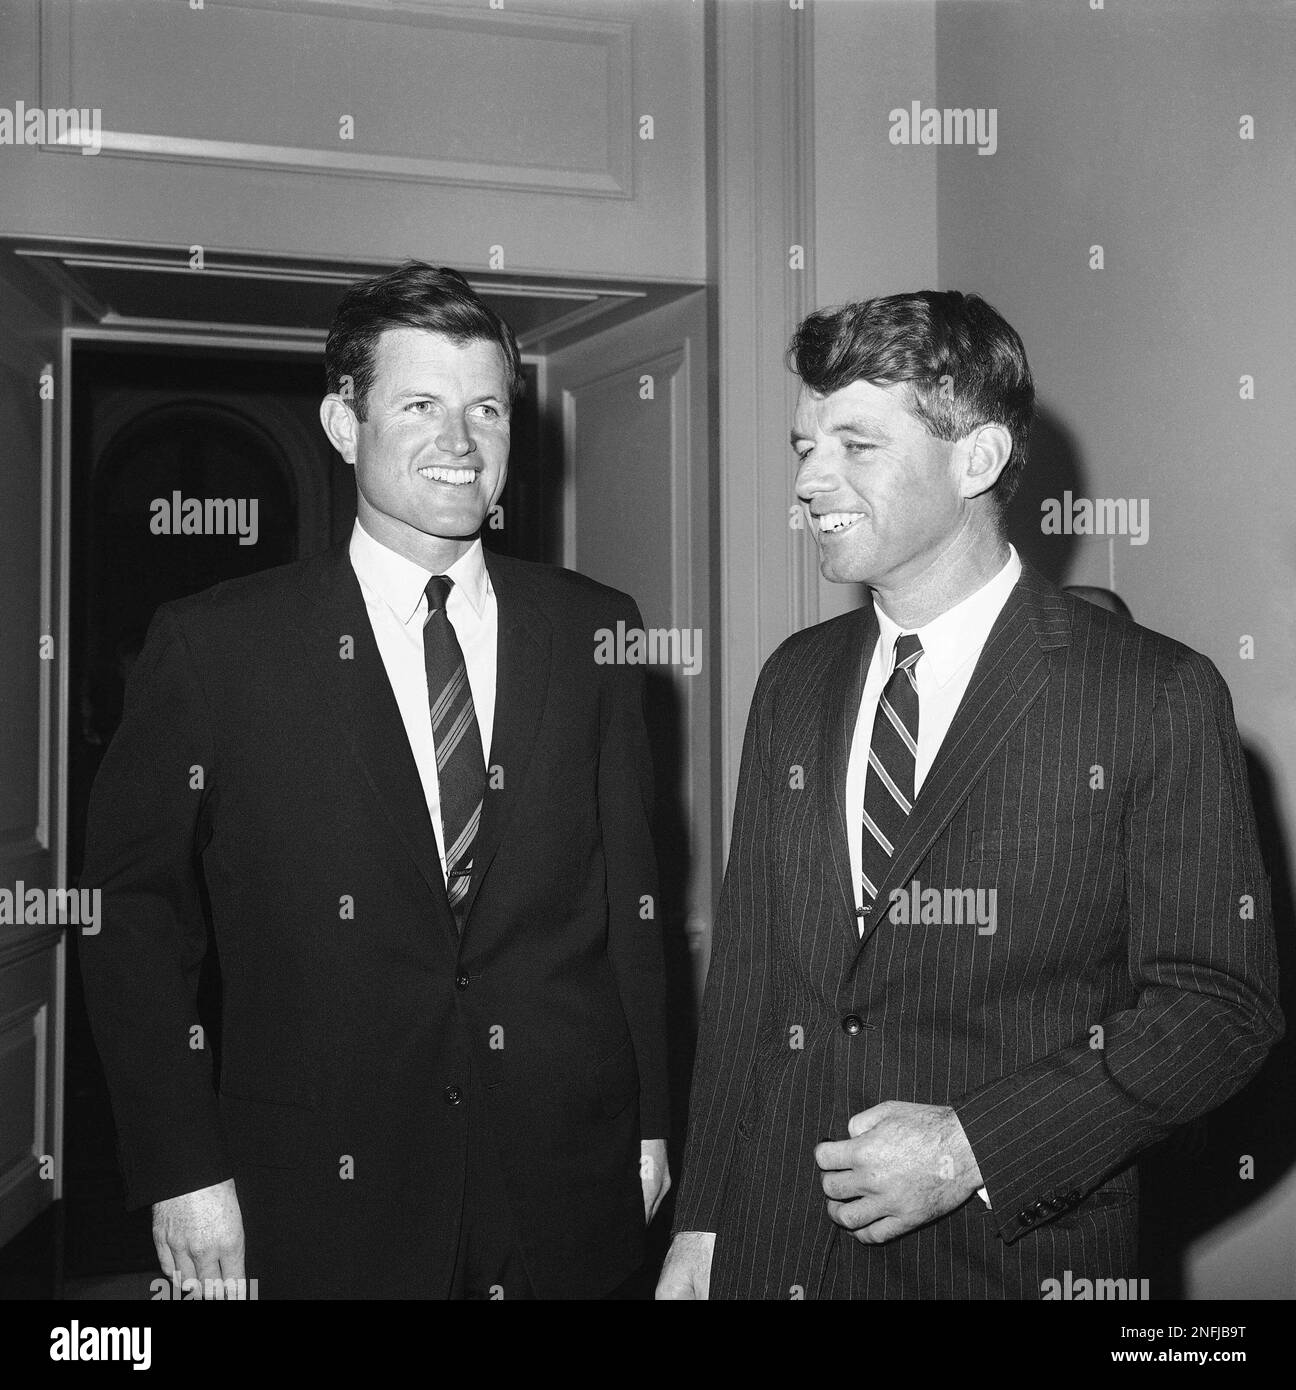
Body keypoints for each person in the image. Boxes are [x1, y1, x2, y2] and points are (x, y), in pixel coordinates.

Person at [658, 290, 1281, 1300]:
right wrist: (704, 1222)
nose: (810, 481)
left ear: (977, 460)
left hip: (1008, 1262)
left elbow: (1222, 1007)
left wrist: (969, 1147)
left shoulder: (1151, 693)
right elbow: (751, 979)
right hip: (776, 1253)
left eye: (855, 445)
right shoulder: (794, 678)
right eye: (804, 445)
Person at [80, 261, 669, 1300]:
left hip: (562, 1175)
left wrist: (655, 1118)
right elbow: (132, 917)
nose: (460, 441)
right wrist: (184, 1169)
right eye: (419, 405)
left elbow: (633, 901)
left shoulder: (594, 628)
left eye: (486, 407)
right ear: (343, 424)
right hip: (318, 1189)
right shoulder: (217, 645)